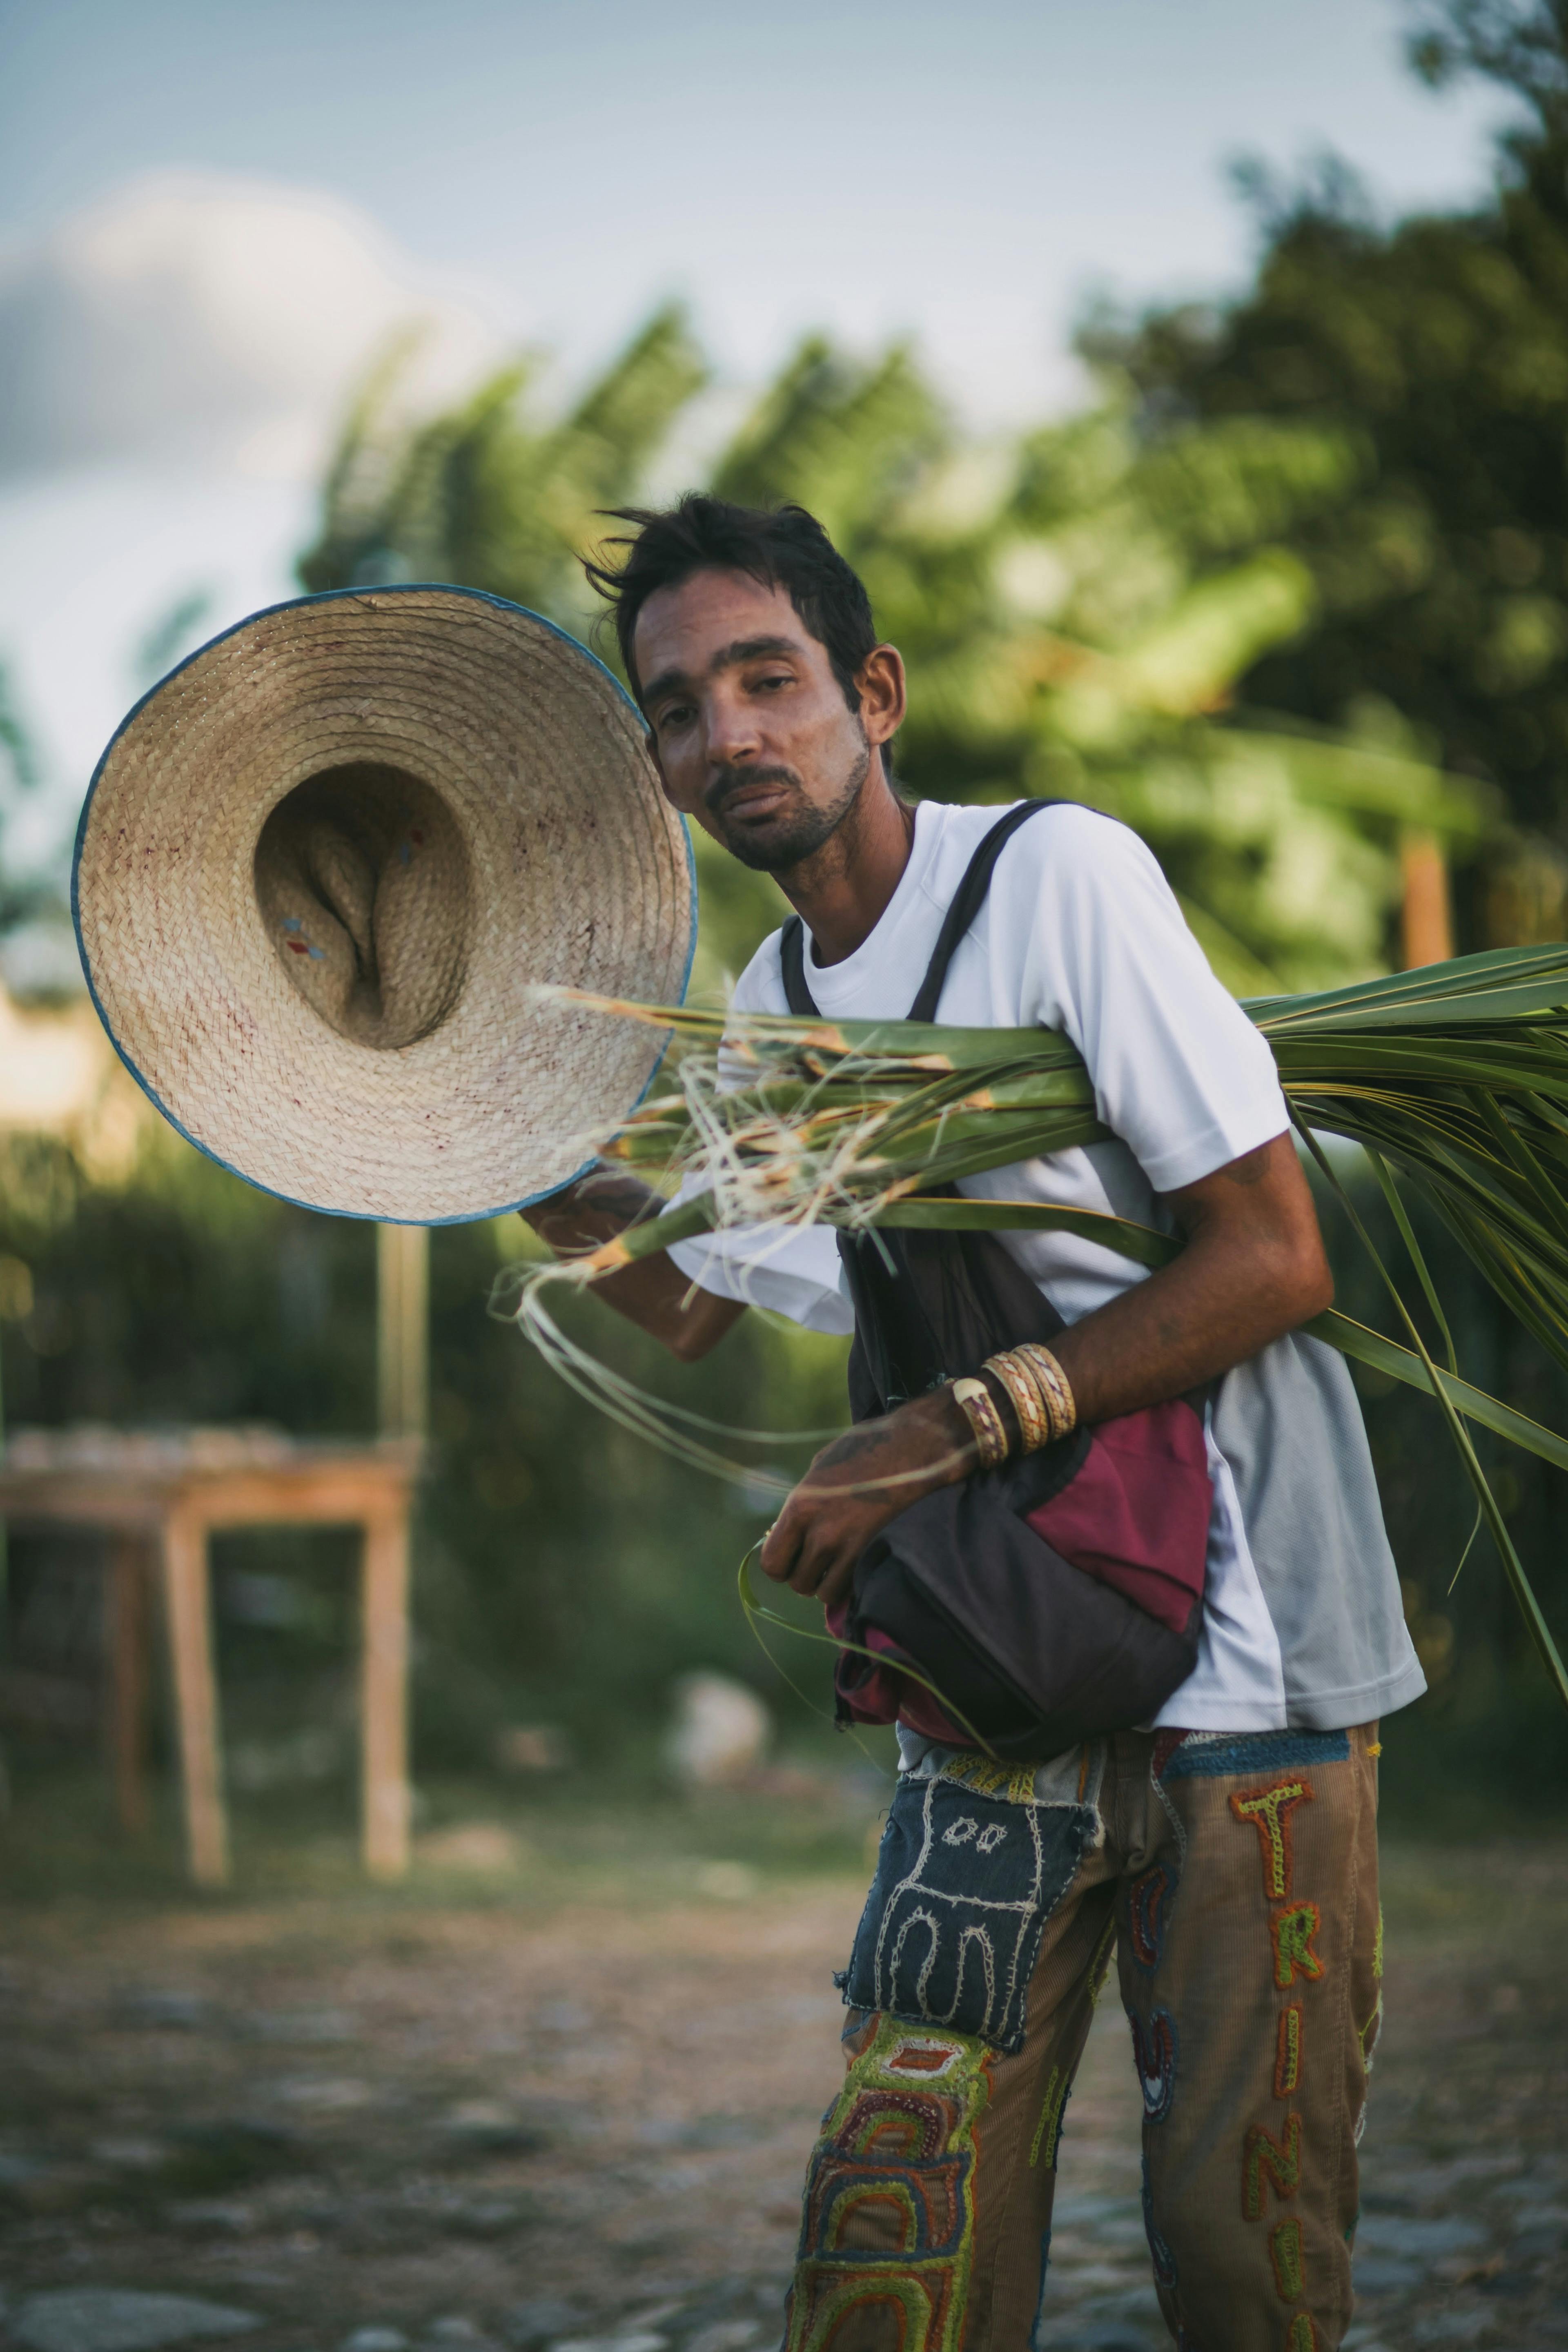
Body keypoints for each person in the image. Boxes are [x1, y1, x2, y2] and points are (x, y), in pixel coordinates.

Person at [523, 495, 1423, 2352]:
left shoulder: (1052, 880)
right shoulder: (774, 1002)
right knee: (899, 2210)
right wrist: (473, 1136)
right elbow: (699, 1297)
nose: (733, 734)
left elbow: (1273, 1257)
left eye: (771, 680)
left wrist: (938, 1431)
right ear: (662, 765)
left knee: (1246, 2244)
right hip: (1006, 1658)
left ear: (876, 691)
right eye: (684, 708)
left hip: (1243, 1660)